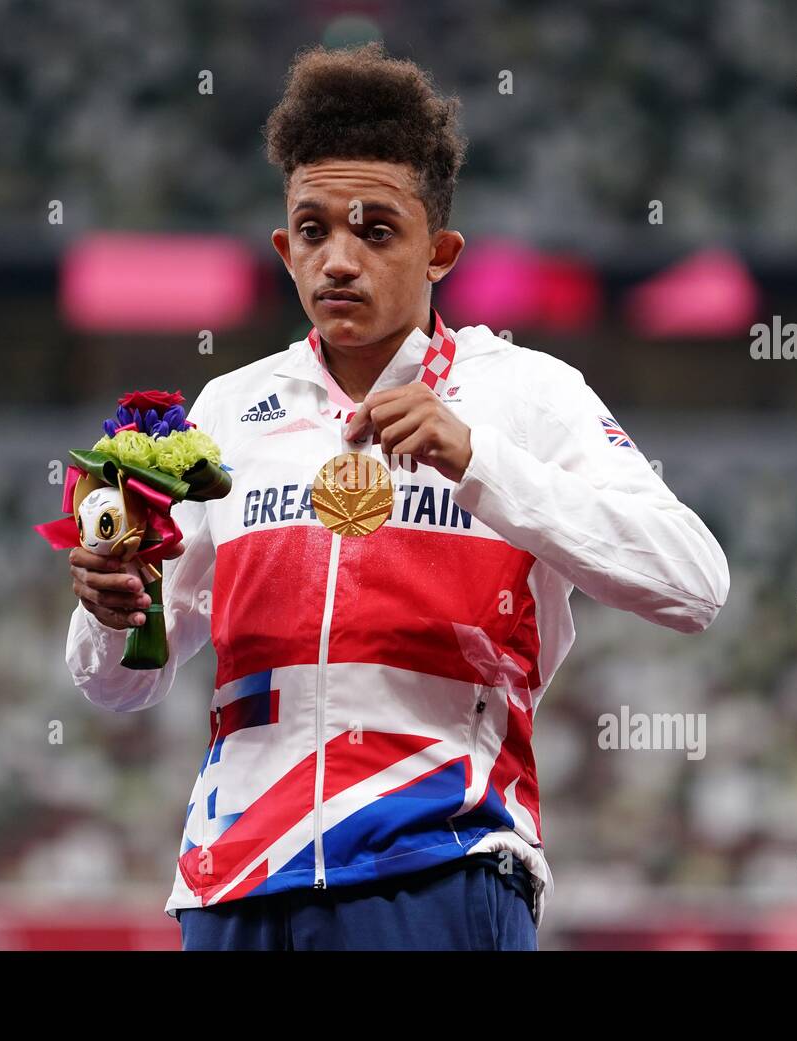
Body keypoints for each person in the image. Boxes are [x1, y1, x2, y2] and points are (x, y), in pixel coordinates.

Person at [65, 42, 729, 951]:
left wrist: (481, 460)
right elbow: (119, 685)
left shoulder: (526, 396)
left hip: (439, 865)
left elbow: (694, 582)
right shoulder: (224, 414)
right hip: (236, 883)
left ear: (441, 251)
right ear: (282, 247)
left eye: (375, 230)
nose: (338, 260)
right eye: (312, 230)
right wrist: (110, 610)